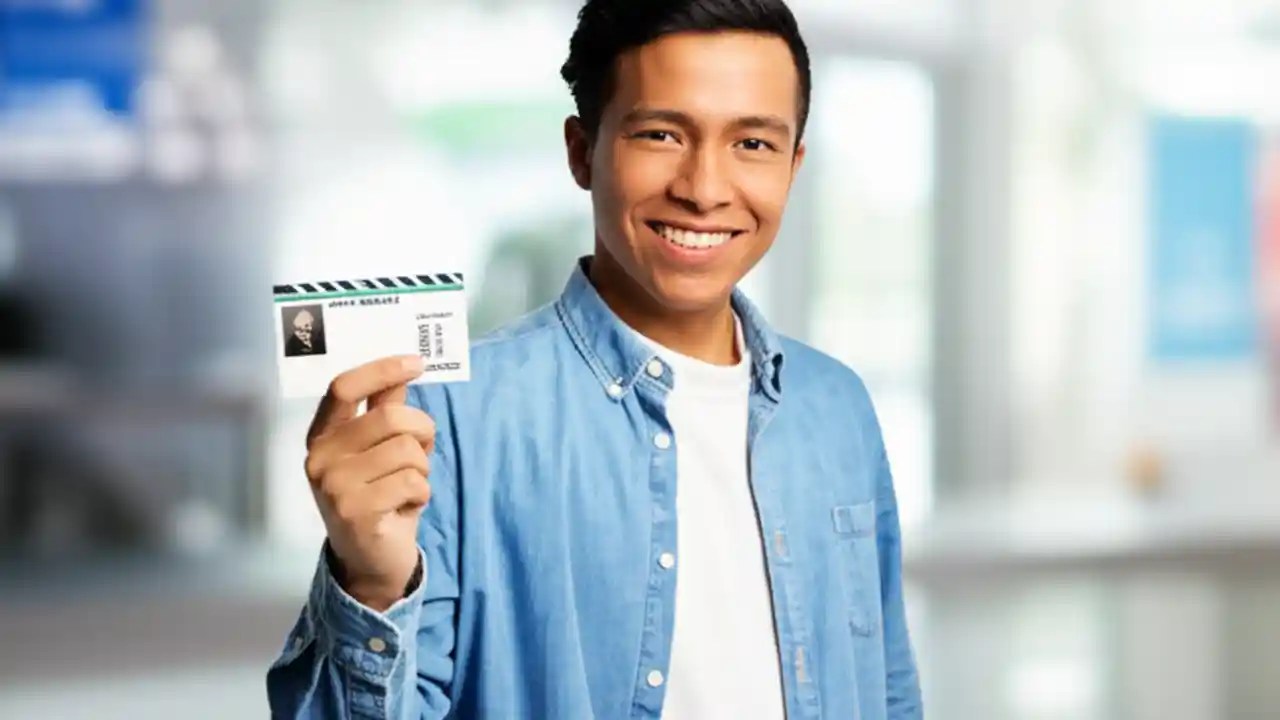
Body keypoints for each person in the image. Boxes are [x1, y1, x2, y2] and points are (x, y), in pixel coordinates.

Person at [266, 0, 923, 717]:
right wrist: (370, 587)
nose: (704, 189)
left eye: (753, 145)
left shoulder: (837, 406)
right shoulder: (451, 419)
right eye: (661, 134)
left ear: (794, 167)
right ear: (583, 151)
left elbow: (887, 688)